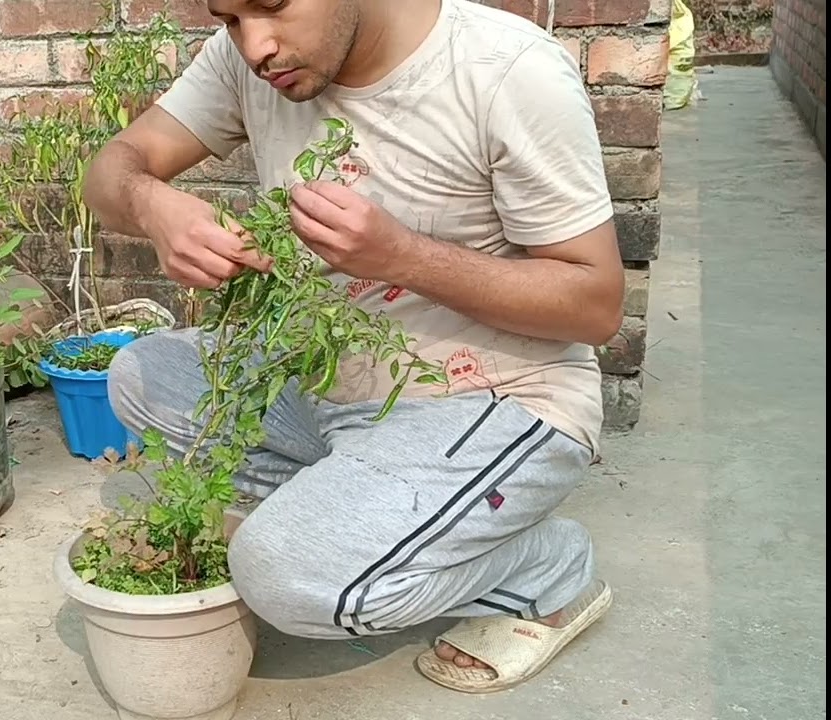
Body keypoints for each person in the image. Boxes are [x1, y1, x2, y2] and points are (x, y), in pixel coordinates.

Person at [81, 0, 624, 694]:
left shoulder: (506, 71)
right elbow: (111, 169)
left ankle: (542, 565)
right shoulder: (252, 60)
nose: (255, 46)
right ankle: (361, 515)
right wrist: (150, 204)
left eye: (270, 8)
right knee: (140, 374)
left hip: (497, 398)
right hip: (328, 382)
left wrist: (402, 257)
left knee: (281, 579)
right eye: (229, 20)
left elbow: (597, 304)